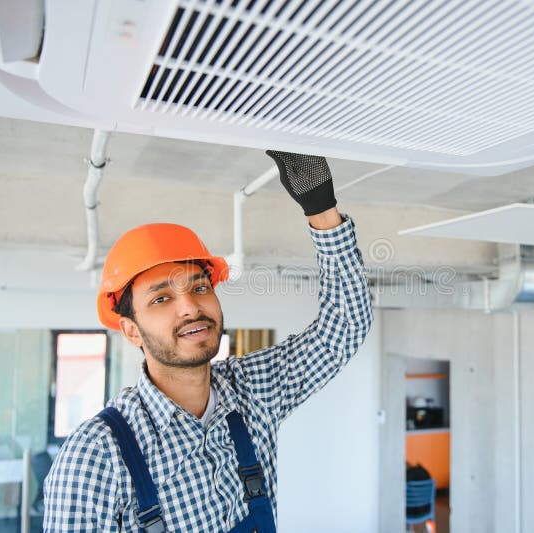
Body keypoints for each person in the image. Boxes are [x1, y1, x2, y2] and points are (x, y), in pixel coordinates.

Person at [43, 151, 373, 532]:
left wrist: (319, 206)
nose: (190, 308)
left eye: (200, 287)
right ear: (131, 329)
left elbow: (345, 326)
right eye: (161, 298)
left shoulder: (252, 391)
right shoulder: (96, 456)